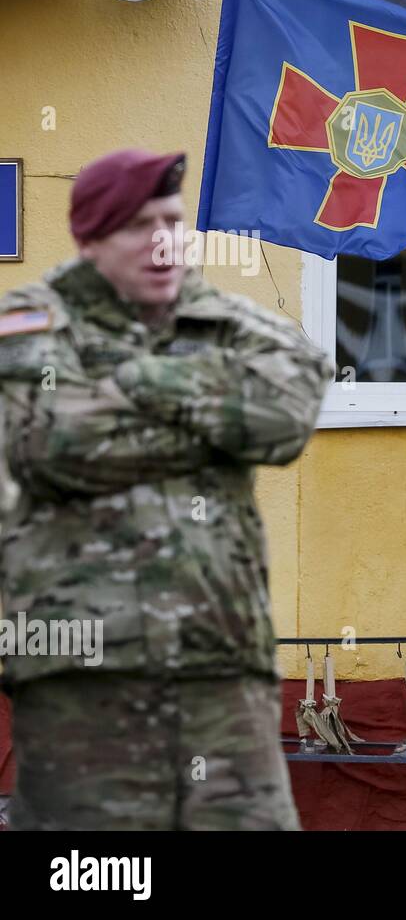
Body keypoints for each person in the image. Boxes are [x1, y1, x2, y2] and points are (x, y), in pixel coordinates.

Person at [0, 148, 334, 830]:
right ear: (89, 240)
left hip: (220, 668)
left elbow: (285, 415)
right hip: (81, 673)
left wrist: (136, 383)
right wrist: (216, 419)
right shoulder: (28, 320)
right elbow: (51, 442)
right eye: (137, 224)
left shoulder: (226, 319)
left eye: (173, 221)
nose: (163, 242)